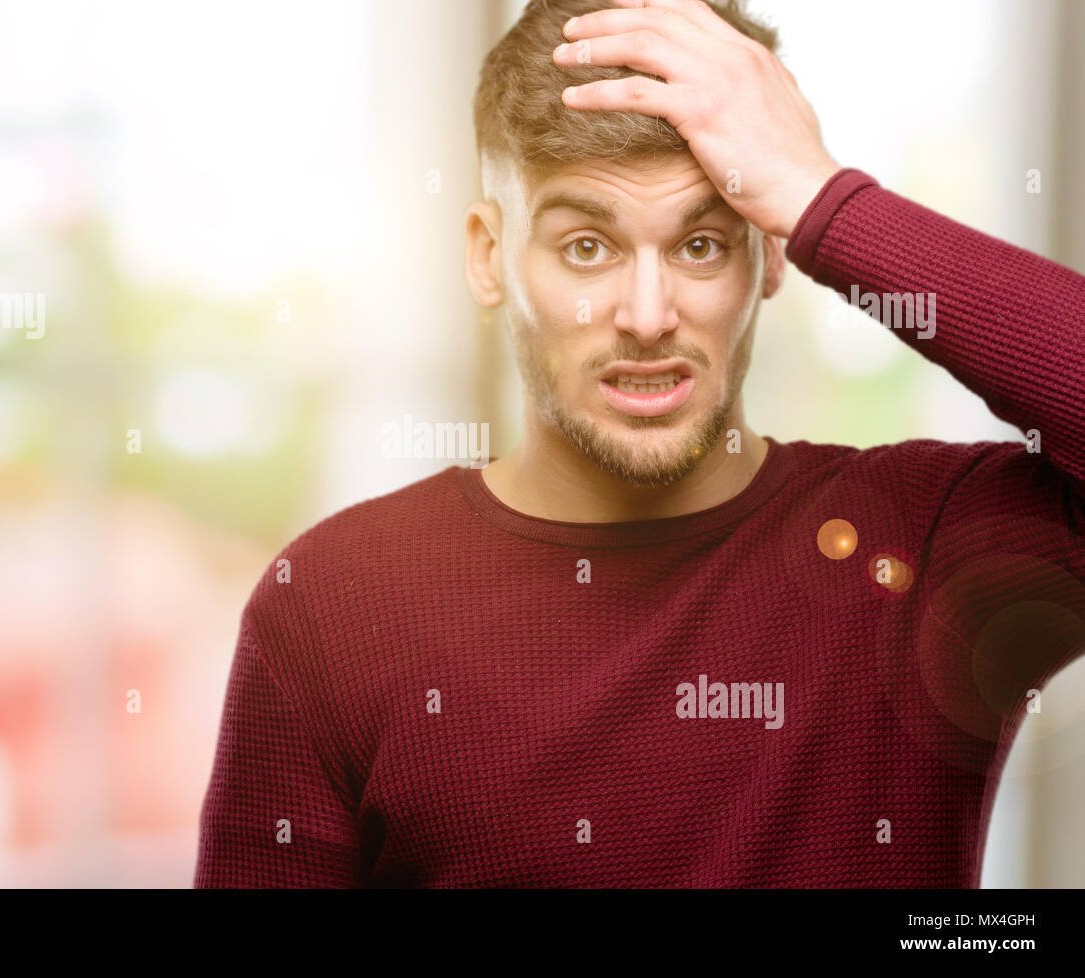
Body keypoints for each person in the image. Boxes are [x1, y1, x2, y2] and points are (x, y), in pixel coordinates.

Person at [194, 0, 1085, 887]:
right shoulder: (332, 604)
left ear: (773, 254)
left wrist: (824, 196)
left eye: (701, 244)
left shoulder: (925, 553)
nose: (649, 317)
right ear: (488, 256)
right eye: (587, 247)